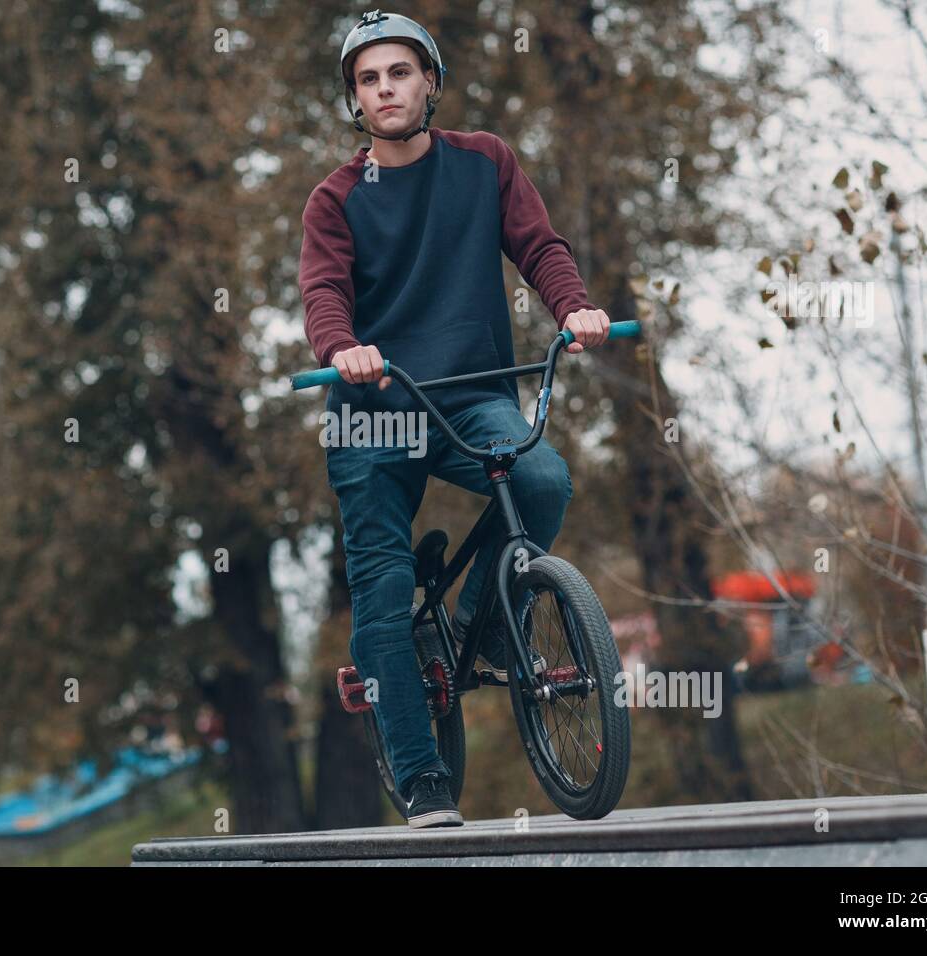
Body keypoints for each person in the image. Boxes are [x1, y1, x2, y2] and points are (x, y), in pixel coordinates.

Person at [299, 9, 611, 828]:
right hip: (375, 410)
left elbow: (539, 246)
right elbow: (324, 293)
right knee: (382, 582)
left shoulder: (484, 164)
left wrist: (574, 308)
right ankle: (422, 779)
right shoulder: (334, 199)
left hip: (472, 394)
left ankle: (485, 626)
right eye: (367, 80)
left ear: (430, 82)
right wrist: (341, 349)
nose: (384, 89)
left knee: (540, 478)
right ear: (354, 102)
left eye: (398, 72)